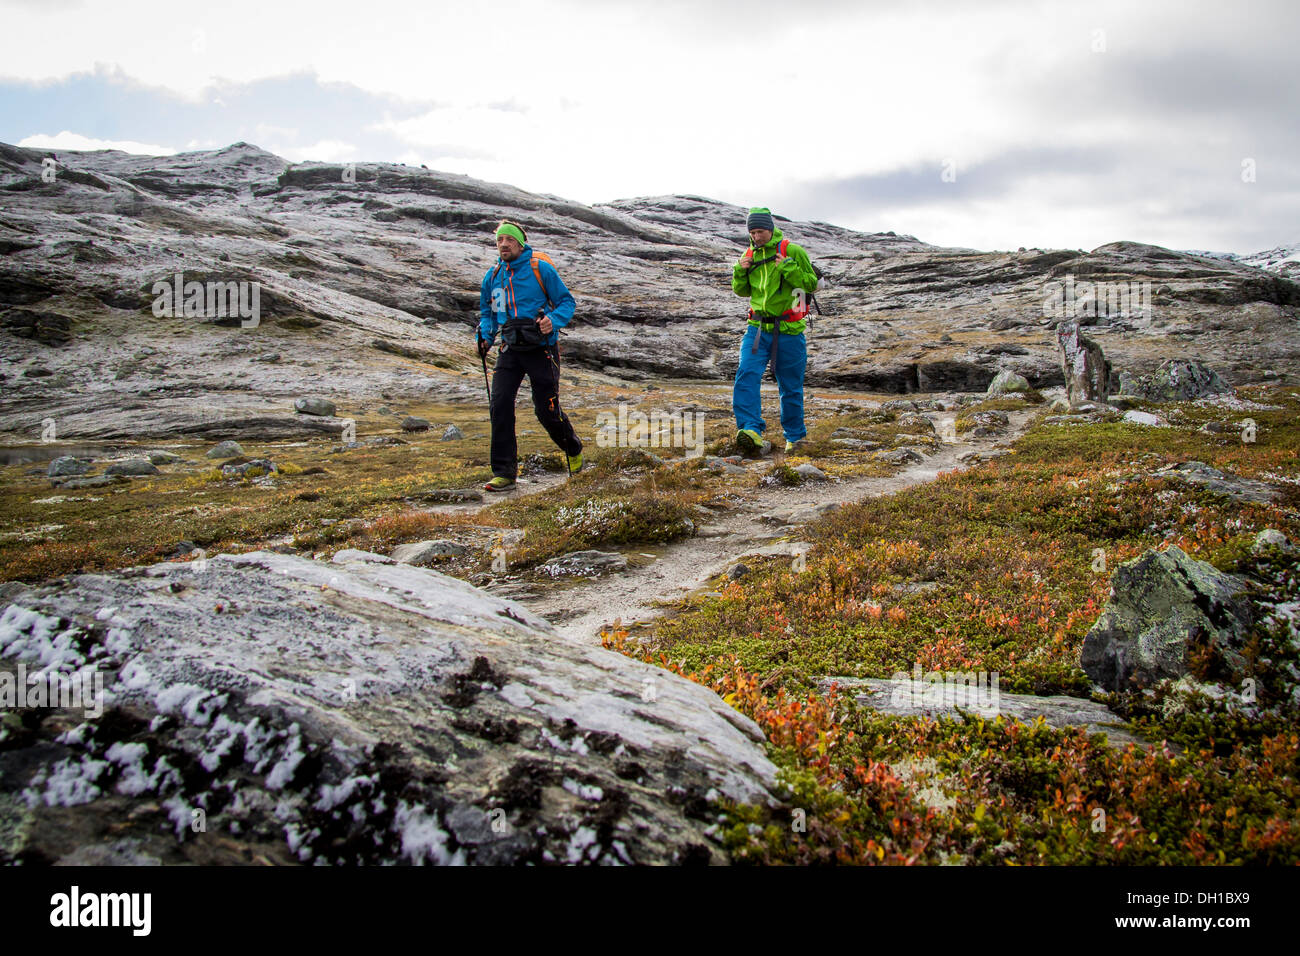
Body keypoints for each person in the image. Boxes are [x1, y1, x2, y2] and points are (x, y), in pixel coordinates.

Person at [477, 220, 583, 492]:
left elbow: (566, 302)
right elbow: (488, 313)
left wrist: (553, 320)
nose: (503, 244)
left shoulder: (540, 269)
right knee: (499, 405)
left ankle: (573, 449)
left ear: (520, 243)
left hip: (542, 350)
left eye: (509, 240)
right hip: (509, 350)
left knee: (546, 409)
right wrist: (486, 336)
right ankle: (504, 474)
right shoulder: (492, 276)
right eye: (499, 240)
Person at [731, 207, 818, 455]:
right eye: (752, 232)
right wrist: (740, 270)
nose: (756, 237)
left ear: (770, 229)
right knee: (746, 374)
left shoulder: (792, 251)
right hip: (757, 328)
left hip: (789, 330)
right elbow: (742, 290)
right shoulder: (748, 254)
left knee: (790, 386)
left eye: (760, 231)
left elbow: (811, 283)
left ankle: (795, 438)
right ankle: (750, 430)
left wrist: (789, 269)